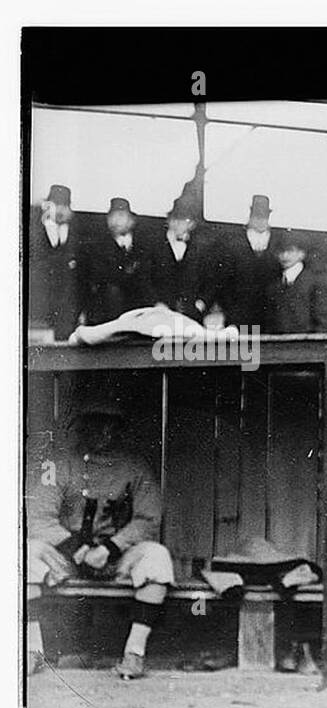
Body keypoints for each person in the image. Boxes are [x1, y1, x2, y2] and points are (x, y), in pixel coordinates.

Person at [26, 400, 175, 680]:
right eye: (95, 423)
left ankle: (134, 653)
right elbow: (38, 518)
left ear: (119, 429)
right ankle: (32, 650)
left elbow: (149, 518)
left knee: (156, 557)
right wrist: (79, 549)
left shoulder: (134, 466)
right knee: (24, 555)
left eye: (110, 425)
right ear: (81, 427)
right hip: (68, 557)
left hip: (115, 559)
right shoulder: (58, 465)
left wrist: (110, 547)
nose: (103, 432)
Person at [82, 197, 155, 324]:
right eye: (112, 217)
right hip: (108, 314)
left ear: (132, 220)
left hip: (139, 313)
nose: (115, 221)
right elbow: (100, 278)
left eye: (121, 216)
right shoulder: (98, 247)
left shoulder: (143, 246)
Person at [148, 195, 218, 322]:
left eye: (186, 221)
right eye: (176, 220)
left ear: (192, 224)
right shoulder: (155, 245)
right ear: (169, 221)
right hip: (160, 311)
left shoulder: (200, 248)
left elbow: (211, 280)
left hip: (192, 312)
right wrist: (156, 303)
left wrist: (202, 303)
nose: (179, 224)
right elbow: (144, 279)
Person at [219, 194, 281, 331]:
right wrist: (230, 309)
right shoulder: (235, 243)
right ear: (250, 215)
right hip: (239, 316)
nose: (260, 221)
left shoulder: (277, 242)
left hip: (270, 317)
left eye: (264, 217)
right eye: (257, 216)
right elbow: (223, 280)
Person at [28, 183, 81, 339]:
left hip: (64, 292)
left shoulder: (74, 229)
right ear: (46, 206)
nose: (59, 210)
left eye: (64, 205)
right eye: (55, 204)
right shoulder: (34, 226)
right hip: (41, 288)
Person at [264, 229, 327, 333]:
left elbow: (323, 323)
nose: (285, 256)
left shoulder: (315, 283)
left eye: (290, 250)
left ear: (302, 254)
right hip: (278, 346)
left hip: (304, 346)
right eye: (281, 251)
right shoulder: (275, 286)